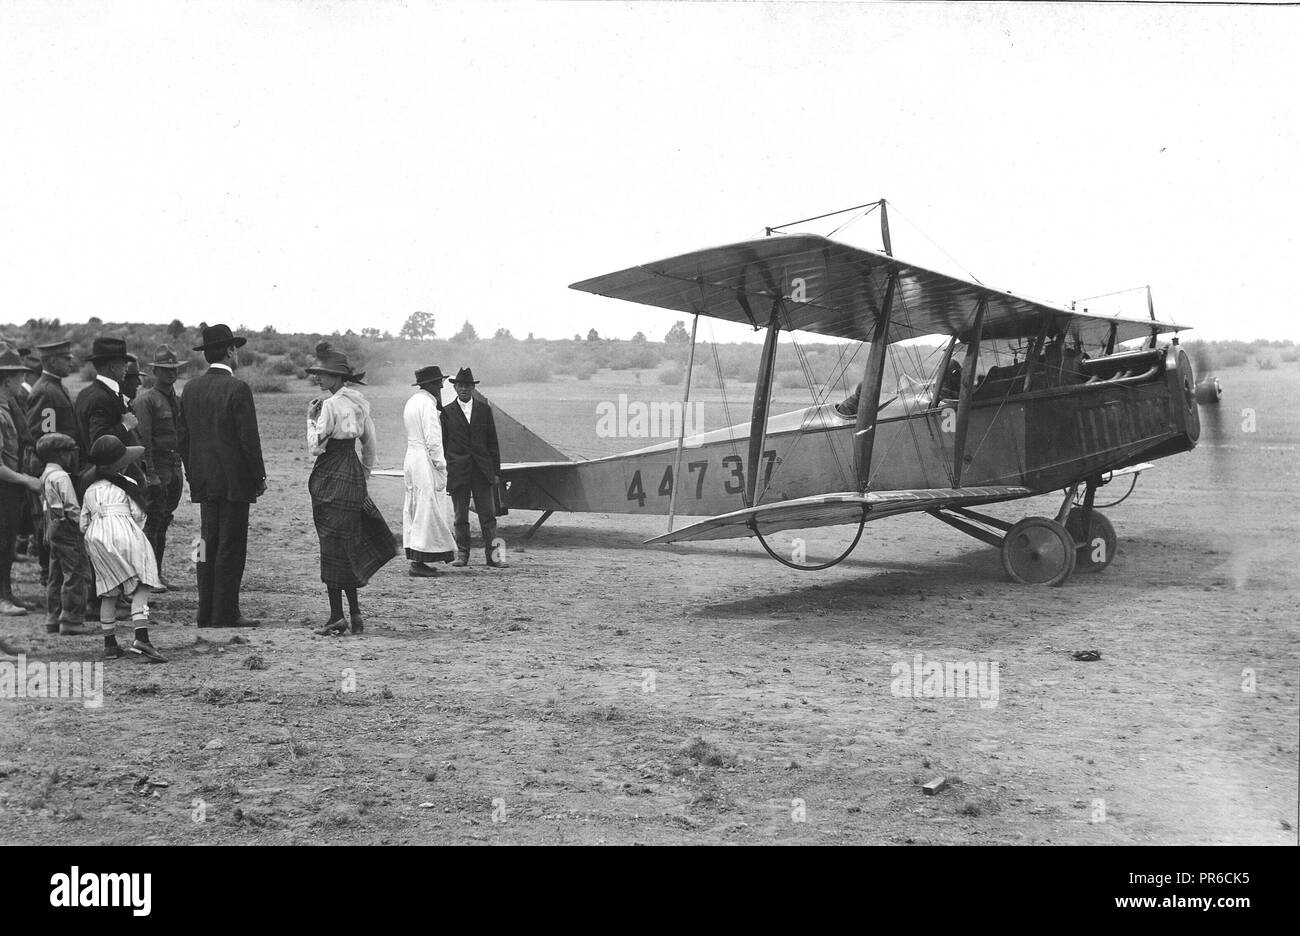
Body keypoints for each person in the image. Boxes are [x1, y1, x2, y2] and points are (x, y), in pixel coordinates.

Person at [176, 324, 265, 629]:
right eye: (235, 349)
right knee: (230, 546)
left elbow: (182, 439)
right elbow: (248, 441)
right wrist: (259, 477)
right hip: (234, 484)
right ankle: (225, 613)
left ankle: (205, 612)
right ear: (229, 351)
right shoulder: (238, 389)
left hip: (203, 482)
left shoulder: (190, 389)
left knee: (203, 544)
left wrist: (192, 474)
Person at [305, 342, 395, 634]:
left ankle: (336, 616)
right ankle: (354, 614)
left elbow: (315, 446)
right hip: (352, 472)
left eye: (323, 374)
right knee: (348, 542)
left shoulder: (329, 406)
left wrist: (310, 419)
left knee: (332, 545)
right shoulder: (358, 402)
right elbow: (370, 443)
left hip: (331, 473)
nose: (318, 378)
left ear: (336, 378)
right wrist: (364, 473)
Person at [80, 436, 165, 662]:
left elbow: (83, 523)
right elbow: (138, 515)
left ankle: (109, 645)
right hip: (125, 533)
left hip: (96, 537)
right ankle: (142, 638)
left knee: (108, 592)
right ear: (121, 464)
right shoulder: (128, 483)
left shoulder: (89, 490)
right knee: (140, 587)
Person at [132, 345, 187, 591]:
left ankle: (157, 573)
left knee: (164, 520)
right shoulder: (147, 400)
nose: (170, 374)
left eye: (173, 369)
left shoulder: (175, 399)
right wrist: (150, 473)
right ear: (155, 371)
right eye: (165, 370)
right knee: (153, 521)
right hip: (158, 466)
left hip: (174, 466)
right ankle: (147, 575)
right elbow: (144, 439)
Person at [25, 339, 79, 587]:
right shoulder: (46, 390)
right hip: (51, 467)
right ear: (52, 361)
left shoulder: (54, 387)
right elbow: (43, 437)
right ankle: (48, 574)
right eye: (66, 358)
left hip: (59, 466)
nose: (71, 362)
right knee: (50, 522)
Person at [441, 367, 506, 568]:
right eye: (459, 386)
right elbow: (443, 445)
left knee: (488, 516)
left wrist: (495, 472)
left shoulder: (484, 410)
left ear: (472, 388)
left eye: (467, 386)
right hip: (458, 472)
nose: (463, 389)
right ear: (455, 388)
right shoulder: (446, 412)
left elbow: (492, 443)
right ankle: (462, 555)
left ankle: (494, 557)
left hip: (482, 472)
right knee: (461, 517)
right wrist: (447, 472)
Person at [0, 347, 44, 615]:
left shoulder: (9, 407)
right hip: (5, 487)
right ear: (7, 380)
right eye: (19, 376)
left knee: (7, 543)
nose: (22, 381)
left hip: (10, 489)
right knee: (2, 544)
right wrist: (26, 480)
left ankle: (7, 593)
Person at [36, 432, 93, 636]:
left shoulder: (46, 474)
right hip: (68, 527)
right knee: (76, 572)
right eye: (71, 452)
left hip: (52, 527)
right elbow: (71, 507)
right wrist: (85, 526)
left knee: (56, 573)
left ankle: (53, 615)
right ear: (61, 454)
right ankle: (71, 618)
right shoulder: (61, 477)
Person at [402, 365, 455, 577]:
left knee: (415, 506)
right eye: (439, 383)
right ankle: (419, 559)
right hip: (424, 459)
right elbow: (433, 440)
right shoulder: (428, 405)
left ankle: (418, 557)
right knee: (426, 506)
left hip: (411, 457)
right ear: (431, 384)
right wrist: (441, 465)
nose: (442, 386)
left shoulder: (412, 402)